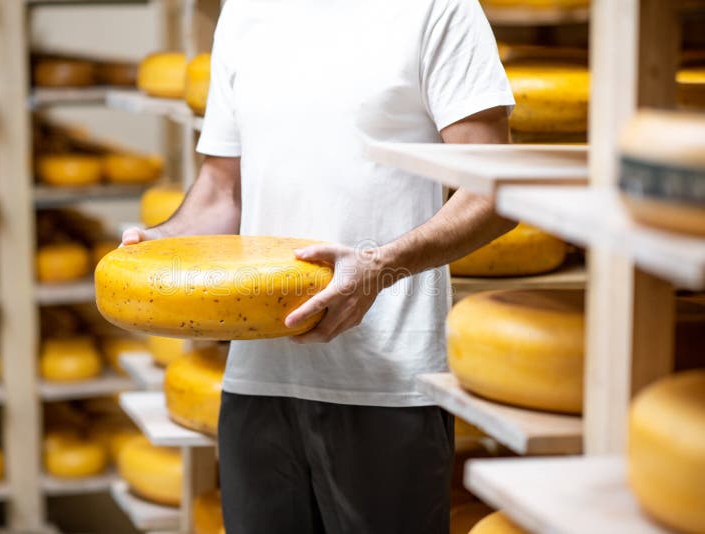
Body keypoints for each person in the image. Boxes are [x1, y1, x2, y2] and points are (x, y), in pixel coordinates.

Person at [122, 0, 515, 532]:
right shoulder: (243, 13)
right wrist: (161, 242)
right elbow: (220, 192)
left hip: (386, 380)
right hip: (258, 377)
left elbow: (493, 191)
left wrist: (380, 267)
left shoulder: (437, 8)